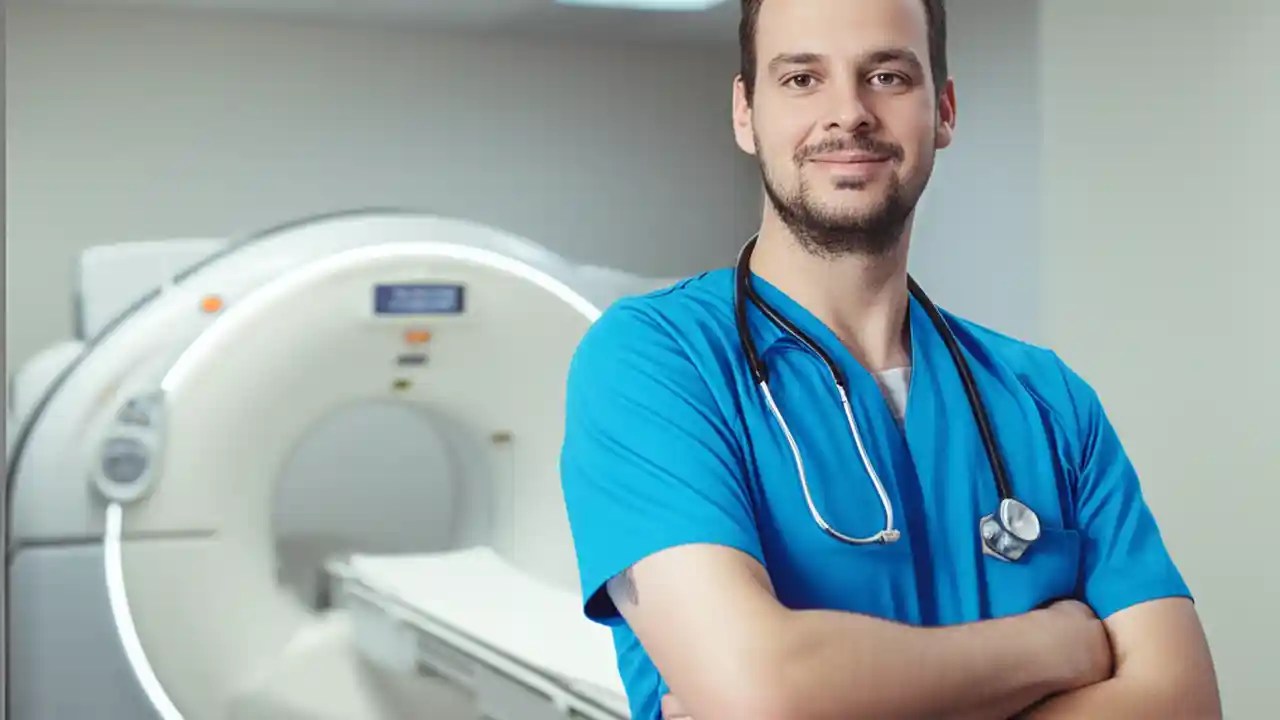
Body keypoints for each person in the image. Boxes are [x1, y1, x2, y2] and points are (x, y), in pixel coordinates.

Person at [558, 0, 1222, 718]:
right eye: (803, 79)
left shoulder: (1048, 401)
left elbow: (1181, 703)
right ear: (746, 113)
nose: (849, 113)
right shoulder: (657, 363)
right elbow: (765, 693)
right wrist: (1056, 645)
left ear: (943, 109)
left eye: (886, 75)